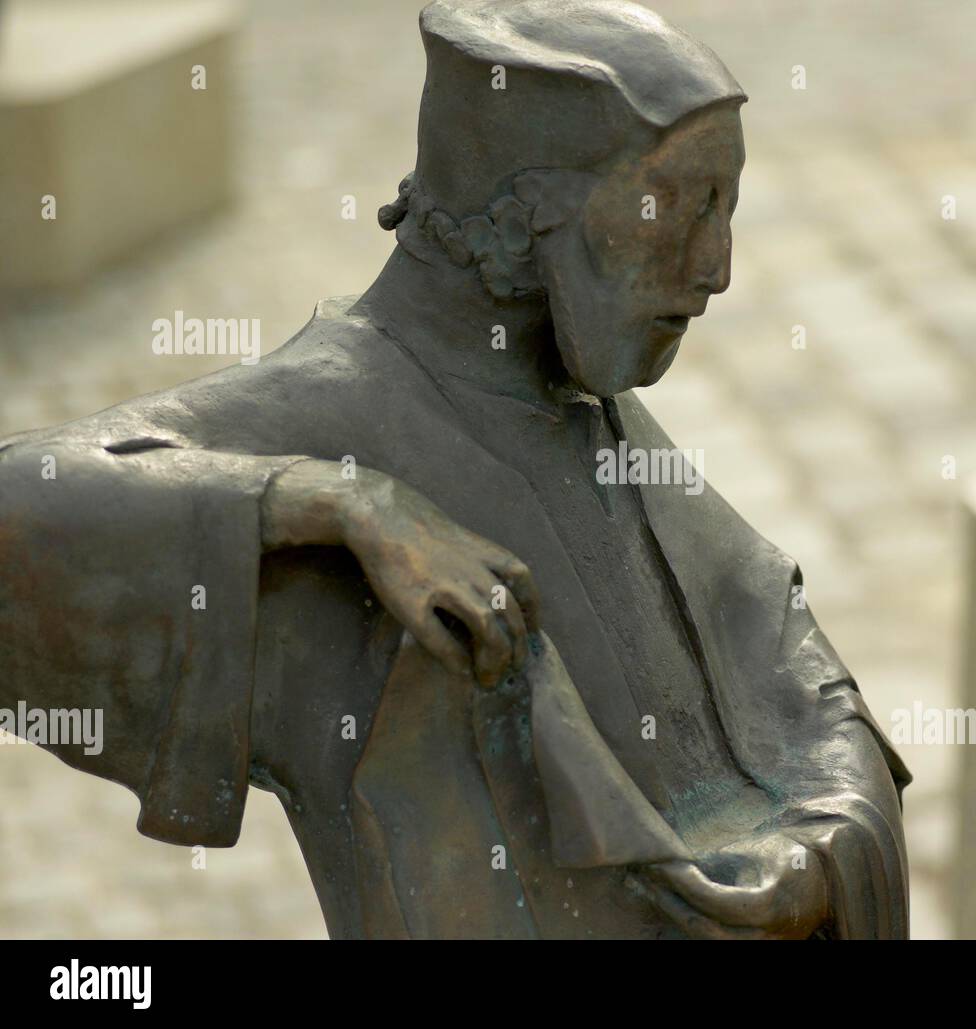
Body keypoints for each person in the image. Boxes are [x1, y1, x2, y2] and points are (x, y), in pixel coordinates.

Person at [0, 0, 909, 939]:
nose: (717, 267)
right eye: (680, 206)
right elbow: (20, 500)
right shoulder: (330, 409)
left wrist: (817, 840)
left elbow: (788, 663)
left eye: (727, 206)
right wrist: (341, 500)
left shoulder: (587, 408)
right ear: (532, 215)